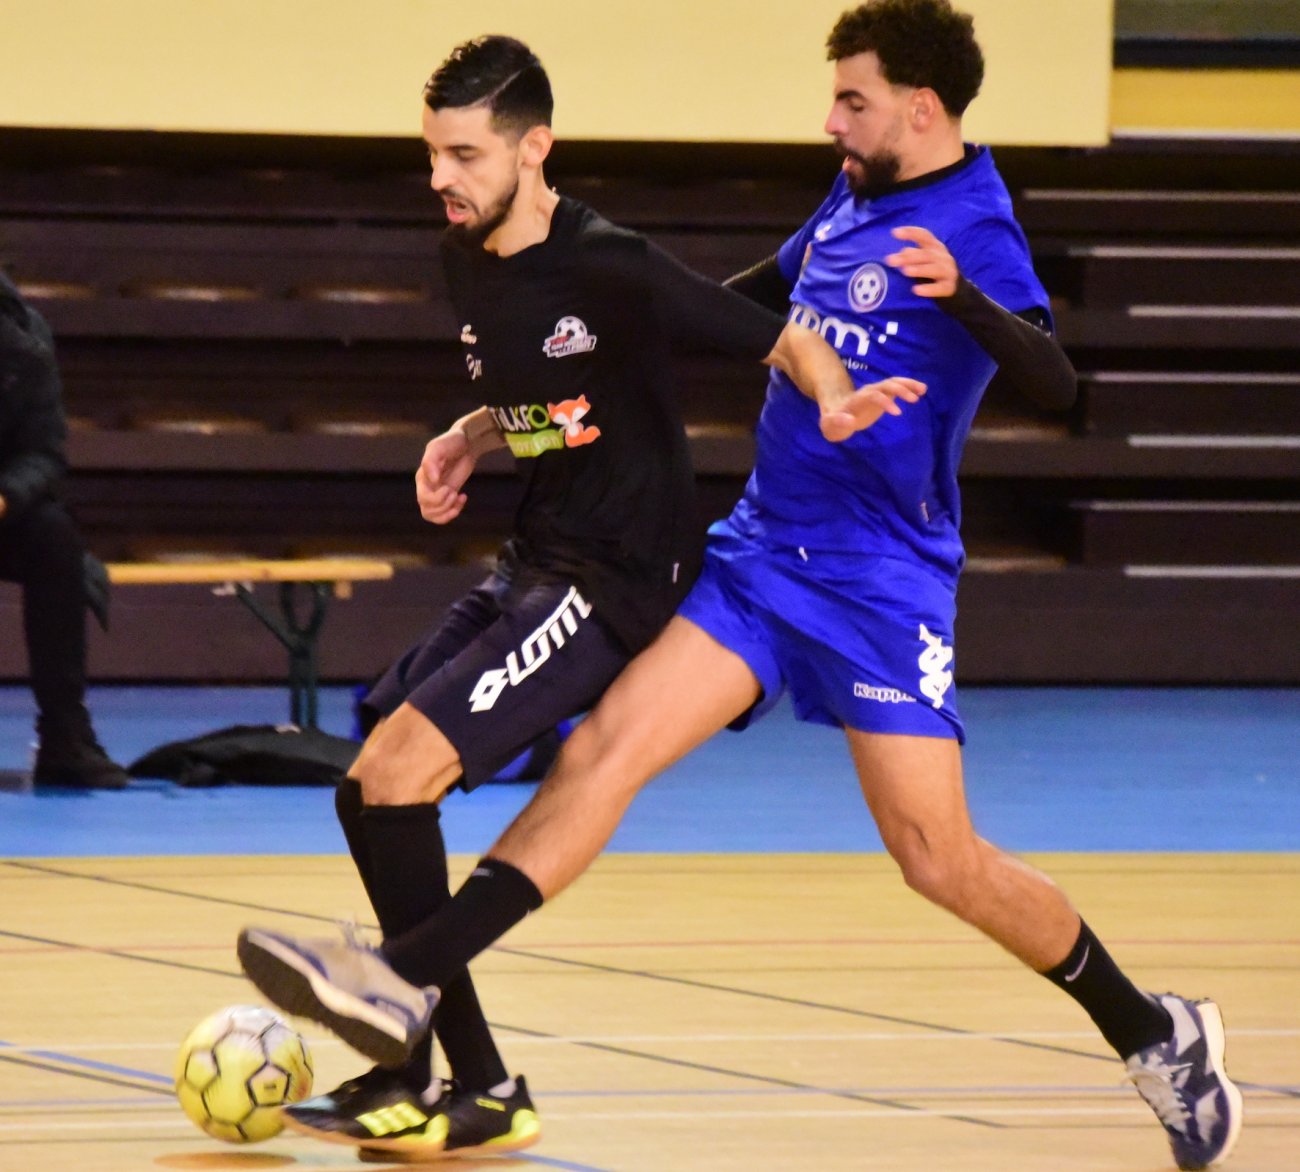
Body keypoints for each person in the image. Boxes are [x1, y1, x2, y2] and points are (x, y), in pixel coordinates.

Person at [238, 4, 1242, 1168]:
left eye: (852, 99)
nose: (831, 119)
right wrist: (573, 342)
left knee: (939, 859)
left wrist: (961, 295)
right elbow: (733, 297)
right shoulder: (851, 193)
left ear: (921, 107)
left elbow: (1054, 379)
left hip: (879, 582)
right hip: (762, 554)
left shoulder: (976, 218)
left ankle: (1153, 1028)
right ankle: (404, 989)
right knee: (599, 750)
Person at [239, 33, 923, 1162]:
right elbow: (542, 397)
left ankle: (438, 1050)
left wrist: (839, 399)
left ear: (534, 147)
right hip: (533, 555)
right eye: (433, 153)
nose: (440, 177)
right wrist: (466, 434)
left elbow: (784, 338)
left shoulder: (609, 261)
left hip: (616, 578)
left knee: (406, 769)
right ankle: (443, 1077)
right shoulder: (467, 256)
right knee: (370, 789)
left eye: (463, 153)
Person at [0, 269, 128, 790]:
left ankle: (65, 735)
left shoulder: (22, 334)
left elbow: (45, 453)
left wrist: (5, 495)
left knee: (55, 538)